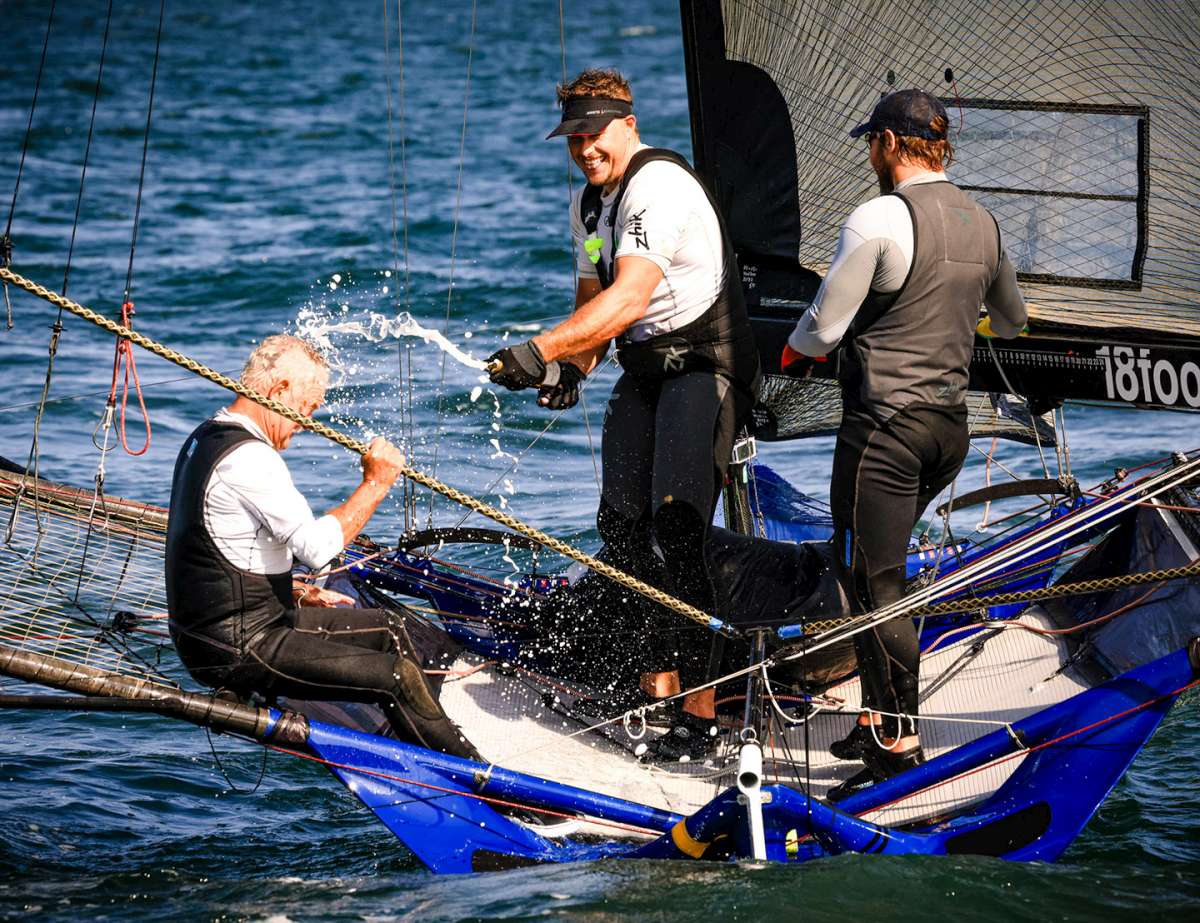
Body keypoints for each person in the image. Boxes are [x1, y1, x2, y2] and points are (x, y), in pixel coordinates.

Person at [487, 68, 762, 759]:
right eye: (573, 139)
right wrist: (564, 369)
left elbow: (633, 296)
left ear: (628, 124)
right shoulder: (589, 208)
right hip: (646, 370)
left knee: (678, 528)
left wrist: (537, 347)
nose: (584, 150)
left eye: (593, 134)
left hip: (708, 368)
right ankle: (658, 689)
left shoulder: (658, 188)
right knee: (622, 528)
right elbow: (595, 309)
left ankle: (703, 712)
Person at [781, 90, 1027, 800]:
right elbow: (1010, 323)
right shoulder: (984, 223)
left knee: (873, 583)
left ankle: (898, 743)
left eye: (871, 143)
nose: (868, 156)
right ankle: (874, 716)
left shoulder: (877, 218)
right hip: (948, 430)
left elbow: (822, 331)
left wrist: (791, 351)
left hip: (884, 434)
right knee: (876, 570)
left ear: (891, 143)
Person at [165, 334, 480, 761]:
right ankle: (484, 777)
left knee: (391, 630)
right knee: (395, 676)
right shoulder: (250, 459)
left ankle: (424, 735)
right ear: (279, 391)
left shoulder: (208, 435)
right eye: (308, 407)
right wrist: (376, 483)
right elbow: (317, 549)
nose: (306, 422)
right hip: (239, 647)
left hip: (239, 626)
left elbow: (217, 544)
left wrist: (293, 590)